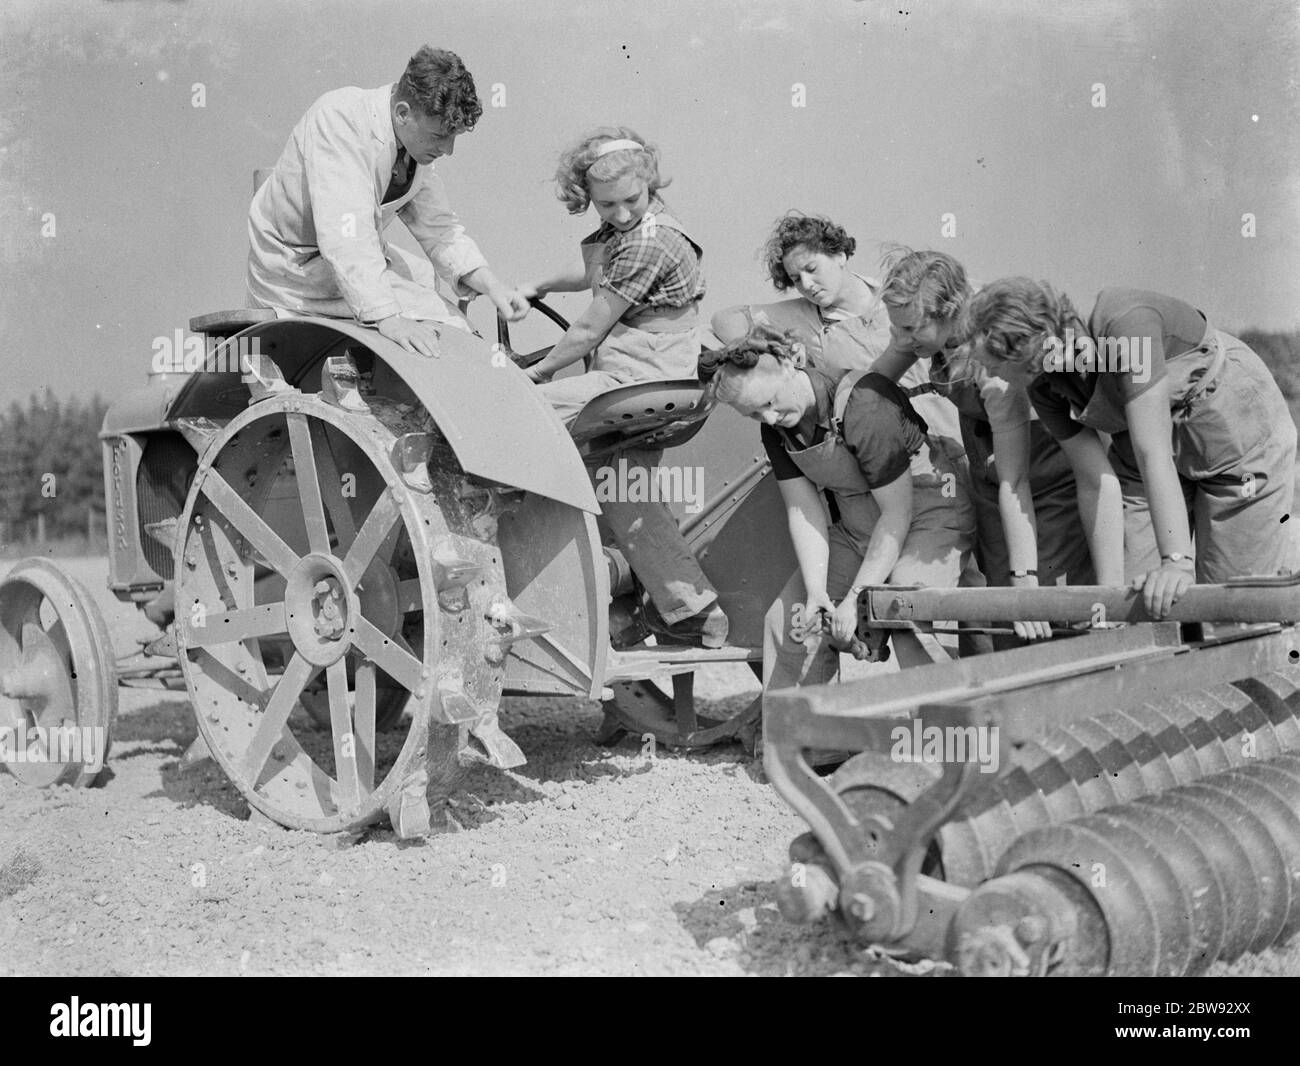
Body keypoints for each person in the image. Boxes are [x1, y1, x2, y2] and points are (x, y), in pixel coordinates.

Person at [965, 280, 1298, 618]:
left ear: (1025, 347)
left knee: (1227, 608)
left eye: (990, 361)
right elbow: (1095, 481)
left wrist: (1177, 562)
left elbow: (1151, 450)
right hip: (1144, 459)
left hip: (1236, 433)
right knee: (1136, 601)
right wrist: (1107, 607)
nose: (986, 372)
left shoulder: (1125, 325)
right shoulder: (1045, 386)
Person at [515, 128, 727, 647]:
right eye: (606, 205)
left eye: (632, 200)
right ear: (589, 198)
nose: (622, 213)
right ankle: (689, 610)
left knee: (521, 411)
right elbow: (595, 276)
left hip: (643, 371)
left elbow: (590, 327)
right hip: (641, 365)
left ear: (650, 180)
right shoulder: (626, 234)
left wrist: (534, 375)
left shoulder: (651, 242)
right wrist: (539, 285)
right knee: (618, 485)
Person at [700, 324, 978, 698]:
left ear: (788, 365)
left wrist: (856, 597)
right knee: (793, 621)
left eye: (769, 402)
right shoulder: (777, 429)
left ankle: (955, 746)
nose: (767, 418)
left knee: (904, 611)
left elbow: (896, 515)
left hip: (927, 511)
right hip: (859, 523)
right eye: (752, 414)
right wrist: (817, 592)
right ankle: (809, 752)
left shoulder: (863, 404)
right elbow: (803, 509)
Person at [870, 250, 1094, 642]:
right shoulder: (925, 320)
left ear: (950, 311)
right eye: (897, 330)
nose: (902, 341)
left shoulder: (995, 368)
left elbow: (1016, 480)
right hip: (989, 473)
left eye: (910, 330)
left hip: (1042, 478)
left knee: (1047, 605)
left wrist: (1025, 584)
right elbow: (871, 388)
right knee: (1002, 608)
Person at [246, 46, 529, 356]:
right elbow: (346, 236)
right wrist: (389, 319)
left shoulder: (411, 144)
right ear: (402, 113)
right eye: (439, 136)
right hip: (293, 270)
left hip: (339, 260)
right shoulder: (340, 119)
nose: (448, 150)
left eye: (454, 137)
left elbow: (441, 231)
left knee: (423, 276)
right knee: (445, 321)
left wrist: (494, 288)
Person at [710, 213, 963, 460]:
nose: (807, 285)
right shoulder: (803, 315)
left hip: (951, 425)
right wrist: (765, 348)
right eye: (795, 279)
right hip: (889, 441)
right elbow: (725, 318)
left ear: (840, 255)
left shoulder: (898, 294)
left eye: (812, 269)